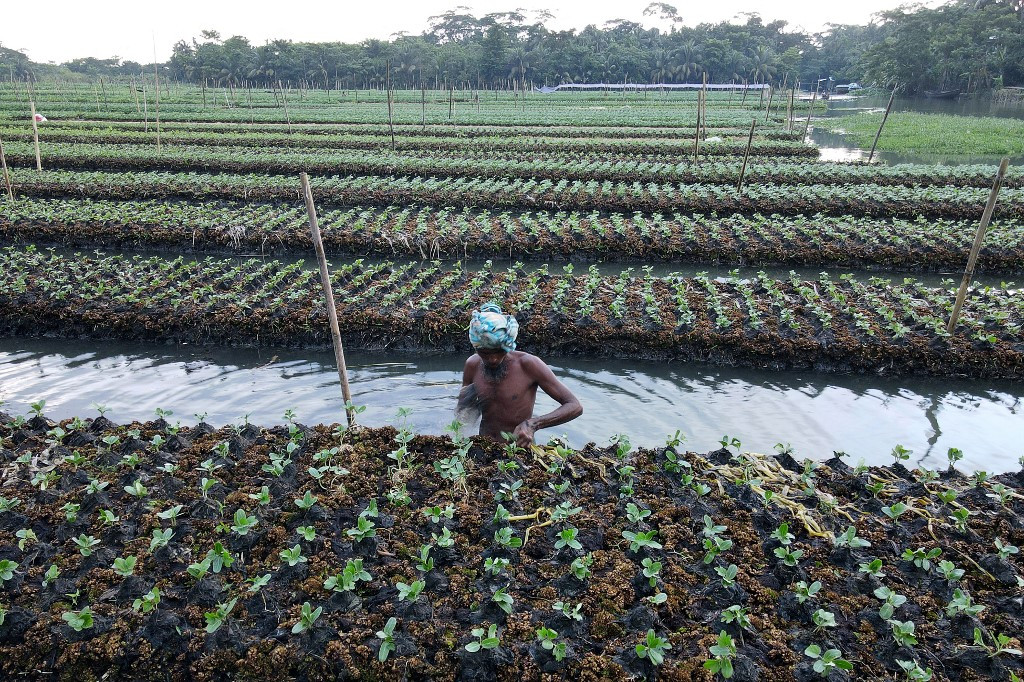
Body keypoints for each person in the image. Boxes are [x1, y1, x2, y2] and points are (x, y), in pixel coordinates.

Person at [457, 302, 582, 448]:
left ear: (508, 345)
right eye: (485, 353)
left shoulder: (529, 365)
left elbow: (574, 406)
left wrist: (533, 424)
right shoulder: (472, 365)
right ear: (476, 347)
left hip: (519, 450)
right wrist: (466, 406)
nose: (493, 359)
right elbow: (463, 414)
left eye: (499, 351)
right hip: (484, 448)